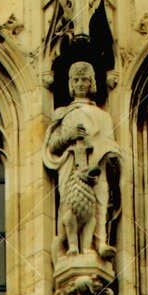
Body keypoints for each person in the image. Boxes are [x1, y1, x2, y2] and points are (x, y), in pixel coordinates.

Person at [44, 62, 121, 260]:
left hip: (98, 164)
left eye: (84, 80)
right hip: (72, 165)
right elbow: (52, 145)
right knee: (71, 205)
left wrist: (112, 156)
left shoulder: (103, 116)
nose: (80, 84)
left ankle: (100, 242)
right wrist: (68, 137)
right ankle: (71, 245)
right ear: (71, 84)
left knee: (101, 200)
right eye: (76, 80)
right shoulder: (63, 113)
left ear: (91, 83)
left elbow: (108, 141)